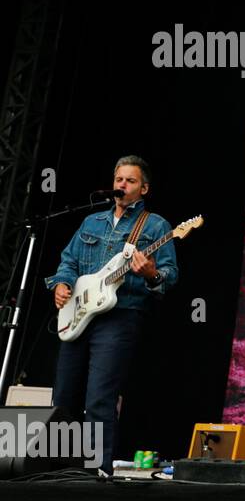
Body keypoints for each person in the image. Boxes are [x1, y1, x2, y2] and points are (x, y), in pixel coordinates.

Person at [46, 156, 178, 474]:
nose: (122, 185)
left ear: (144, 188)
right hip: (79, 314)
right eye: (119, 179)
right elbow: (69, 260)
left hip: (120, 316)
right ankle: (53, 467)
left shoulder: (156, 226)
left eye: (130, 181)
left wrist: (150, 274)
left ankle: (96, 470)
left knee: (100, 396)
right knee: (63, 395)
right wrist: (61, 284)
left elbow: (169, 275)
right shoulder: (91, 222)